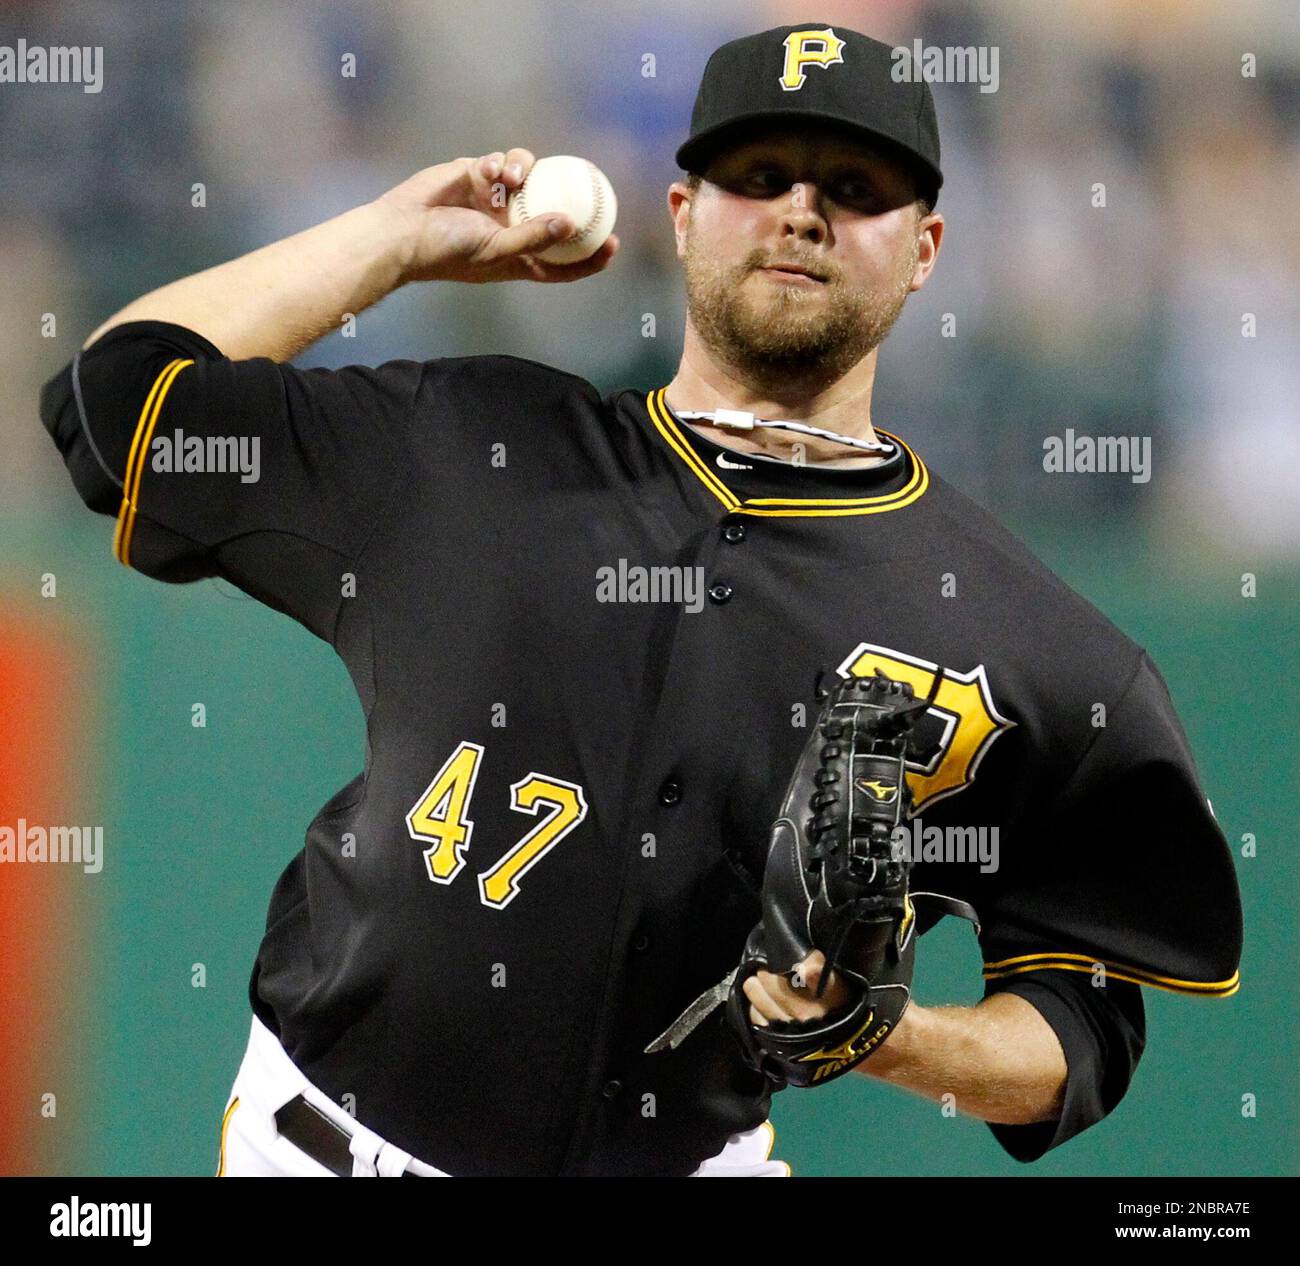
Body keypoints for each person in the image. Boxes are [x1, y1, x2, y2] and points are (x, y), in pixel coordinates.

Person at [40, 23, 1241, 1178]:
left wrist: (891, 1038)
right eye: (755, 173)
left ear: (924, 247)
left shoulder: (1020, 637)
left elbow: (1083, 1028)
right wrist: (389, 242)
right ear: (684, 217)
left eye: (855, 186)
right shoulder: (470, 447)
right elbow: (117, 407)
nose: (800, 211)